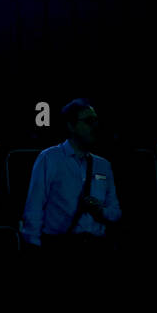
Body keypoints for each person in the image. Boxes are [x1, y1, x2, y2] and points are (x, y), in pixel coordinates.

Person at [21, 99, 121, 257]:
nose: (95, 126)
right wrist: (34, 247)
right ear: (71, 126)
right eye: (88, 121)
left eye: (95, 120)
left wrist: (100, 211)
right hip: (60, 247)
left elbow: (115, 212)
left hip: (97, 246)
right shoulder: (49, 158)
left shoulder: (104, 165)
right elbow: (34, 205)